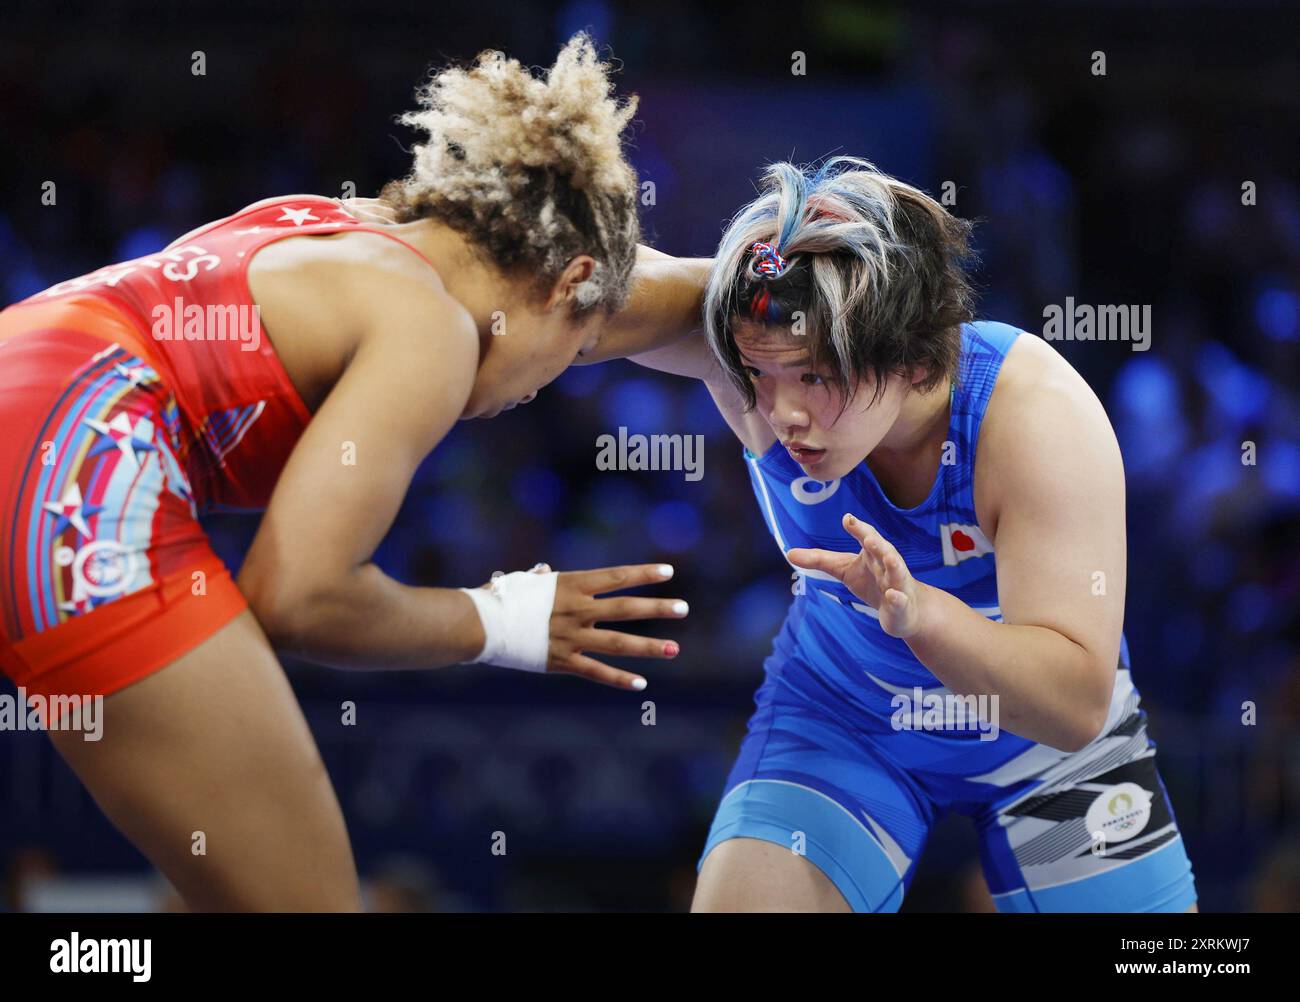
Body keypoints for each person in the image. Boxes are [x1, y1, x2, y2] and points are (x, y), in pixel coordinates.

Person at [0, 34, 688, 911]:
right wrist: (505, 622)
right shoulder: (428, 328)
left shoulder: (324, 226)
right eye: (580, 350)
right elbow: (298, 597)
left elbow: (645, 296)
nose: (554, 380)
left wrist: (766, 290)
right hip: (74, 445)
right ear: (570, 280)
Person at [584, 157, 1198, 912]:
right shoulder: (760, 320)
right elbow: (576, 293)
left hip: (1048, 758)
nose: (781, 414)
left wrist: (925, 617)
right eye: (758, 374)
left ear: (910, 358)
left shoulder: (1038, 416)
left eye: (812, 377)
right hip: (848, 717)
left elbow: (1072, 709)